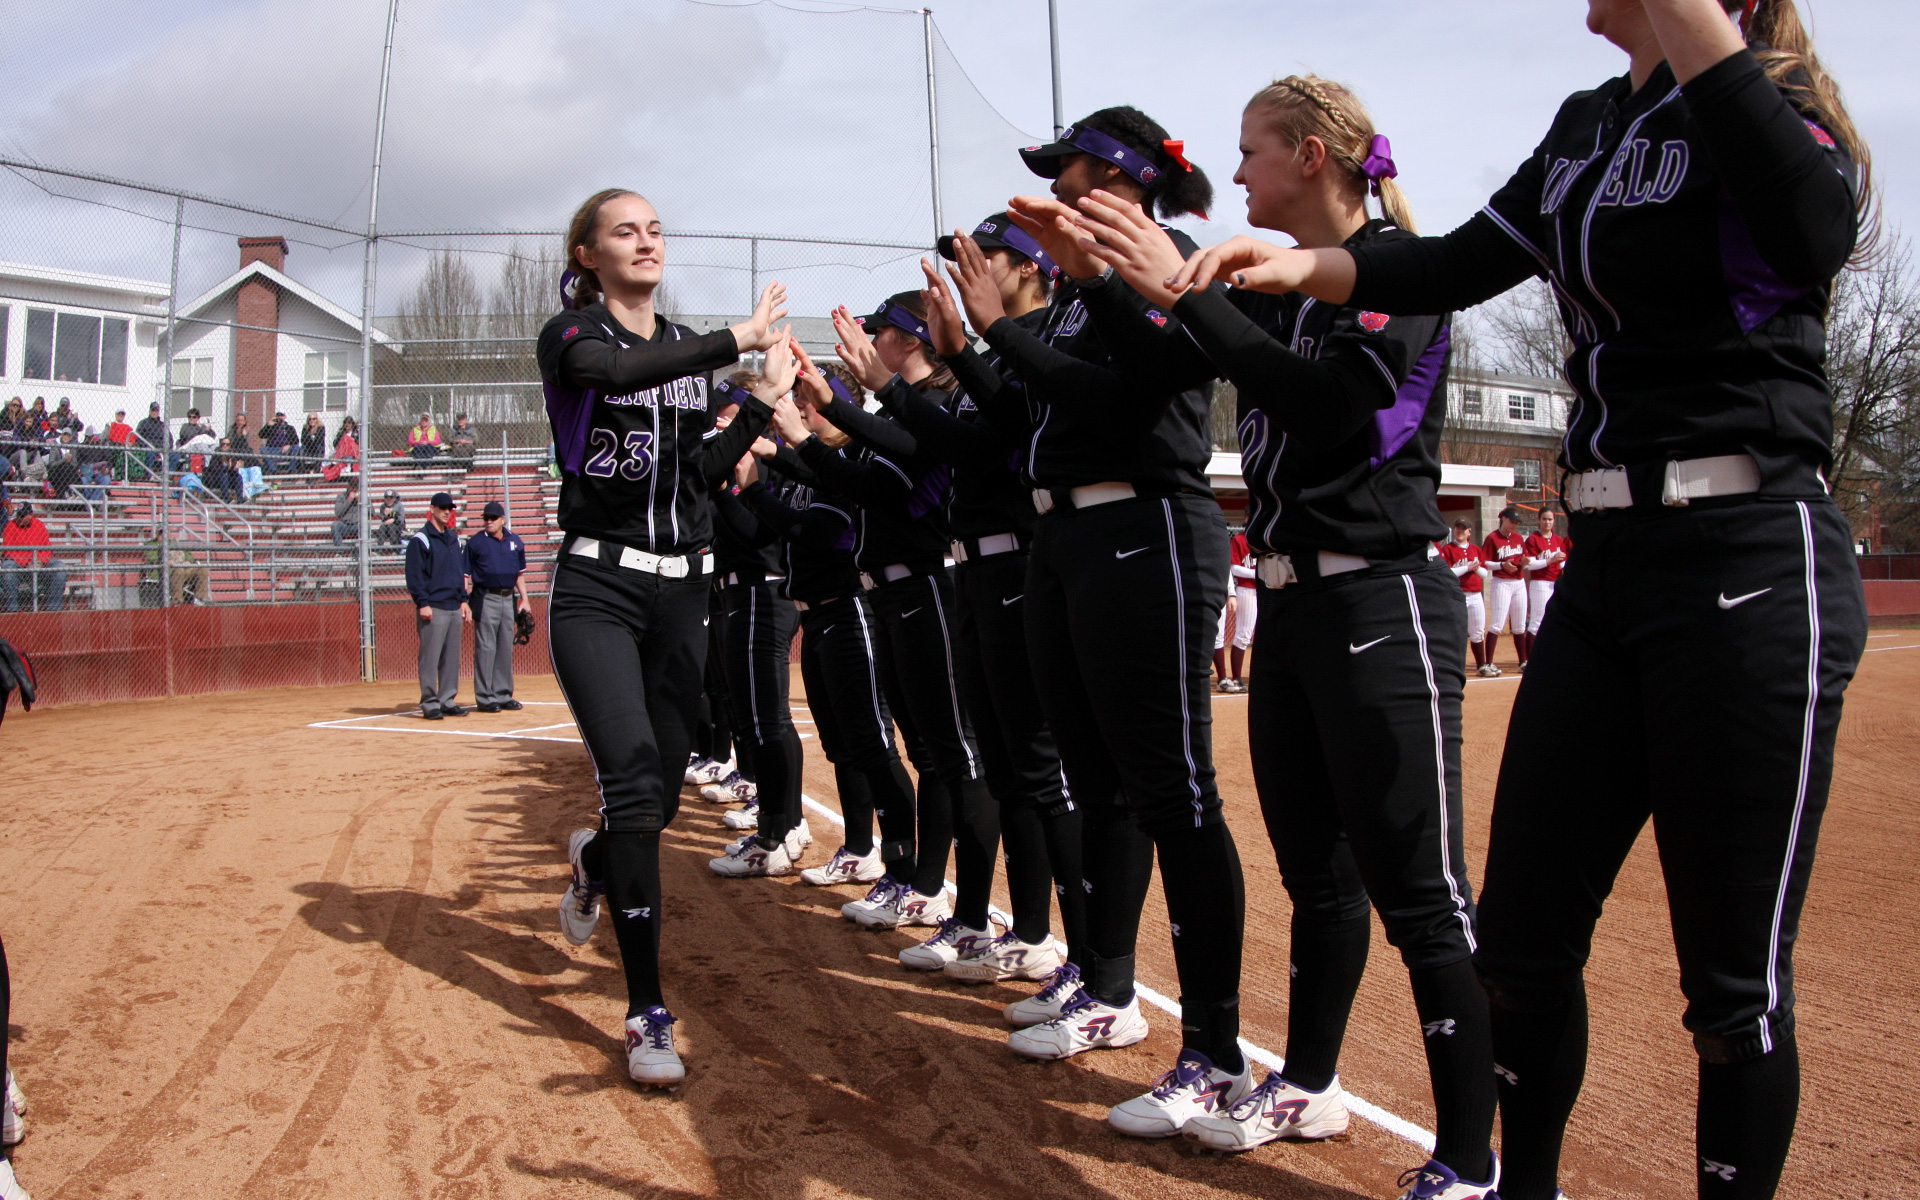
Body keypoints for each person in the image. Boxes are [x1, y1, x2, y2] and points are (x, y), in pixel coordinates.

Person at [1170, 2, 1872, 1194]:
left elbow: (1812, 232)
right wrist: (1300, 267)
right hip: (1608, 566)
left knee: (1733, 990)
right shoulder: (1591, 121)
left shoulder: (1770, 101)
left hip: (1748, 554)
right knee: (1519, 951)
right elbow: (1454, 262)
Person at [1066, 72, 1496, 1196]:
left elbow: (1329, 408)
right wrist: (1109, 281)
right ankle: (1308, 1083)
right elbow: (1164, 363)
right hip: (1296, 604)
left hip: (1382, 599)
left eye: (1253, 149)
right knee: (1318, 875)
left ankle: (1470, 1159)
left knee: (1422, 894)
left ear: (1313, 155)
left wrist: (1191, 296)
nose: (1237, 171)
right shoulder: (1273, 285)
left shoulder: (1399, 271)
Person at [960, 107, 1250, 1134]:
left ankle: (1214, 1050)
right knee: (1100, 787)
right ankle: (1109, 988)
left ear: (1122, 176)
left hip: (1148, 527)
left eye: (1072, 169)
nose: (1056, 188)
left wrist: (1028, 314)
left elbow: (1134, 401)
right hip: (1066, 538)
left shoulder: (1163, 261)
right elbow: (1028, 417)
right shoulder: (1082, 292)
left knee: (1176, 793)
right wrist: (982, 338)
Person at [537, 187, 791, 1089]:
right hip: (598, 588)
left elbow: (700, 474)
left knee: (659, 802)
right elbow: (613, 374)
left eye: (653, 229)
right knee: (636, 789)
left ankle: (594, 858)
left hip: (683, 592)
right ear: (588, 254)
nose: (645, 241)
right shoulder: (571, 335)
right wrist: (737, 341)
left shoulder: (687, 350)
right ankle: (648, 1010)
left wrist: (760, 404)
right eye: (624, 231)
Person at [909, 213, 1087, 992]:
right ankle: (1032, 931)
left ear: (1031, 266)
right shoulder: (992, 353)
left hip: (1022, 560)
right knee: (1009, 773)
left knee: (1041, 771)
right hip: (975, 570)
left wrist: (917, 376)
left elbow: (995, 445)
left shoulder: (1042, 342)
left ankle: (1083, 959)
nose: (973, 268)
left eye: (990, 257)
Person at [797, 293, 998, 954]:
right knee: (930, 753)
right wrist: (812, 428)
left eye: (880, 329)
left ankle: (965, 909)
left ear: (909, 340)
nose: (870, 339)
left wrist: (823, 419)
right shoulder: (894, 412)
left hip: (926, 586)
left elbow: (888, 488)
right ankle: (926, 885)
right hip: (890, 592)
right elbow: (863, 479)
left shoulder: (938, 404)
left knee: (955, 754)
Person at [737, 373, 916, 888]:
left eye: (807, 401)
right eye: (796, 400)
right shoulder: (808, 464)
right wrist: (769, 458)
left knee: (874, 743)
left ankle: (903, 869)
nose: (798, 409)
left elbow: (817, 534)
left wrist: (753, 488)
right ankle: (859, 849)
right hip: (816, 615)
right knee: (842, 745)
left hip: (850, 609)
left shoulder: (848, 461)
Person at [406, 492, 471, 718]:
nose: (446, 512)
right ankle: (430, 702)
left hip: (453, 605)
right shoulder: (421, 539)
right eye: (442, 508)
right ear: (432, 509)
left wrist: (463, 600)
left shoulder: (453, 539)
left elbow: (458, 572)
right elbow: (414, 576)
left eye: (449, 509)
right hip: (433, 606)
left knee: (451, 658)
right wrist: (422, 603)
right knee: (430, 657)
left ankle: (447, 699)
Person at [464, 500, 531, 713]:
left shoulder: (515, 541)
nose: (489, 521)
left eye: (493, 518)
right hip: (486, 597)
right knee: (486, 647)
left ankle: (502, 694)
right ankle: (485, 697)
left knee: (504, 646)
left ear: (503, 519)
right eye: (486, 518)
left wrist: (525, 599)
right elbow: (465, 576)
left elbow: (519, 574)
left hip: (508, 597)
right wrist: (463, 601)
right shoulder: (476, 543)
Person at [1439, 520, 1494, 676]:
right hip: (1458, 595)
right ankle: (1456, 666)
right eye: (1458, 528)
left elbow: (1484, 574)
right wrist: (1467, 567)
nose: (1460, 531)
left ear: (1469, 532)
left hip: (1476, 594)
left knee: (1478, 631)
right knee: (1457, 631)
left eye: (1464, 529)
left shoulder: (1475, 549)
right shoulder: (1448, 549)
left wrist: (1476, 569)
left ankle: (1481, 666)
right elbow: (1447, 573)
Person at [1482, 507, 1530, 673]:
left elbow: (1523, 557)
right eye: (1512, 521)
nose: (1514, 525)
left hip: (1519, 582)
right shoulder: (1492, 538)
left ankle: (1523, 661)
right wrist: (1502, 565)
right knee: (1497, 624)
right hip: (1501, 582)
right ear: (1503, 519)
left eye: (1516, 523)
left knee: (1519, 625)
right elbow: (1485, 562)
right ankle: (1488, 662)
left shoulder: (1518, 538)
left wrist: (1524, 561)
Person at [1, 504, 65, 613]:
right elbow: (8, 551)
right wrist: (25, 562)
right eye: (19, 515)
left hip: (38, 565)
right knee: (7, 566)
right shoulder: (11, 525)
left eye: (23, 516)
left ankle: (53, 610)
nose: (20, 518)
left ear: (31, 515)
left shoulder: (39, 525)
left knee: (59, 567)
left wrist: (40, 561)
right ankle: (12, 610)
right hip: (19, 567)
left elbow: (47, 548)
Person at [1523, 507, 1570, 644]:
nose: (1547, 522)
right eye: (1544, 519)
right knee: (1537, 622)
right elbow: (1530, 565)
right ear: (1539, 520)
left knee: (1555, 619)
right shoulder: (1533, 539)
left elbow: (1562, 562)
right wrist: (1550, 560)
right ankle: (1531, 656)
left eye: (1550, 519)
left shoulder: (1558, 540)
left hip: (1555, 582)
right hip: (1540, 582)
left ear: (1554, 521)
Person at [135, 402, 169, 476]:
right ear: (150, 411)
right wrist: (145, 445)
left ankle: (168, 476)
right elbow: (138, 437)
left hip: (162, 448)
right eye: (153, 410)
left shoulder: (162, 424)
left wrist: (168, 446)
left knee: (175, 455)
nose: (154, 412)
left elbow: (170, 438)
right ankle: (150, 476)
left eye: (156, 411)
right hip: (150, 448)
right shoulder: (143, 423)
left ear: (158, 412)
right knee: (150, 453)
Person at [325, 417, 360, 483]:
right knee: (345, 439)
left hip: (353, 453)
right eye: (345, 423)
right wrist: (342, 437)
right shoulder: (341, 433)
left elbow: (358, 443)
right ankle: (343, 463)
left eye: (349, 423)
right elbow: (335, 443)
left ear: (352, 424)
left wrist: (350, 440)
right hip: (342, 452)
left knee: (347, 440)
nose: (347, 424)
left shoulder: (356, 433)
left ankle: (347, 464)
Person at [330, 480, 361, 546]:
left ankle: (363, 549)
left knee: (366, 525)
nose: (354, 489)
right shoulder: (341, 496)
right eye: (352, 487)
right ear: (348, 487)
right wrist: (348, 501)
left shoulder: (362, 497)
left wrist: (361, 501)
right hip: (344, 524)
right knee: (335, 525)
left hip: (357, 524)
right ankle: (339, 550)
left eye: (356, 487)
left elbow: (372, 513)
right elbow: (338, 513)